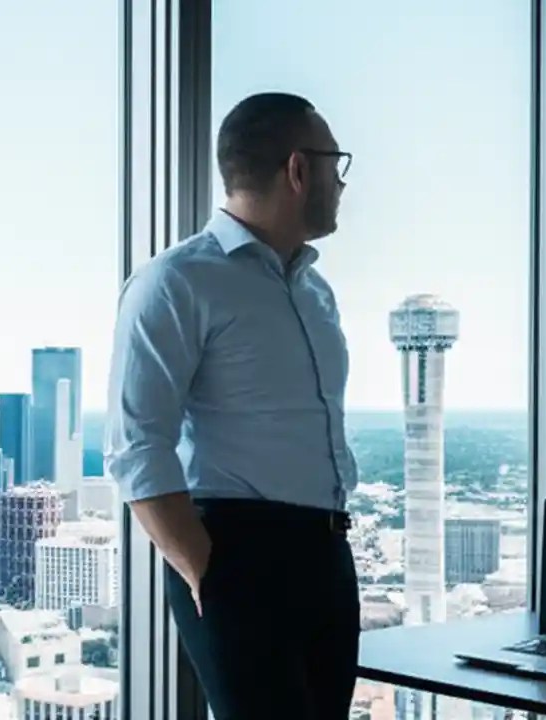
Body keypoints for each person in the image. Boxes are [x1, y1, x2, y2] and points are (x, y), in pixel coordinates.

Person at [105, 92, 360, 719]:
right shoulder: (176, 281)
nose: (342, 182)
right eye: (336, 164)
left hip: (326, 552)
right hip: (237, 558)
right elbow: (137, 447)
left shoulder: (315, 291)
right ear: (299, 169)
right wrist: (208, 572)